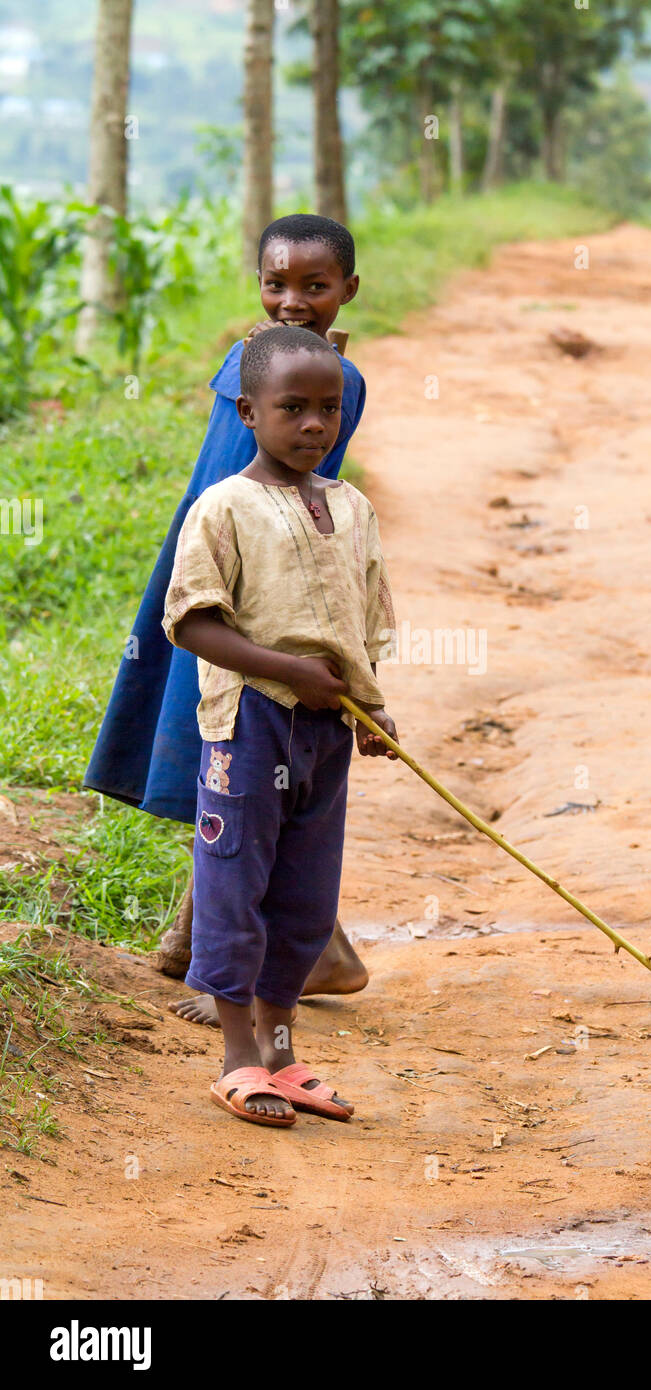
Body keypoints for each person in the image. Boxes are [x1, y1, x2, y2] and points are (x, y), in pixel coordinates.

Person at [84, 214, 371, 1022]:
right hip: (205, 569)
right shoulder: (249, 361)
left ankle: (241, 966)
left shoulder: (330, 382)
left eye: (314, 286)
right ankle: (290, 947)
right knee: (225, 767)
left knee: (242, 773)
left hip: (257, 593)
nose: (292, 301)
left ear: (348, 290)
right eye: (276, 283)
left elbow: (297, 496)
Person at [163, 325, 398, 1125]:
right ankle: (236, 1059)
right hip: (249, 726)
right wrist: (287, 669)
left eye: (328, 409)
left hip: (325, 734)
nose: (312, 425)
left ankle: (283, 1054)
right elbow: (191, 624)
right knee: (237, 884)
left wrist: (371, 706)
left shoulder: (352, 508)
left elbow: (363, 627)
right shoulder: (224, 506)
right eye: (291, 408)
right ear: (247, 411)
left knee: (304, 895)